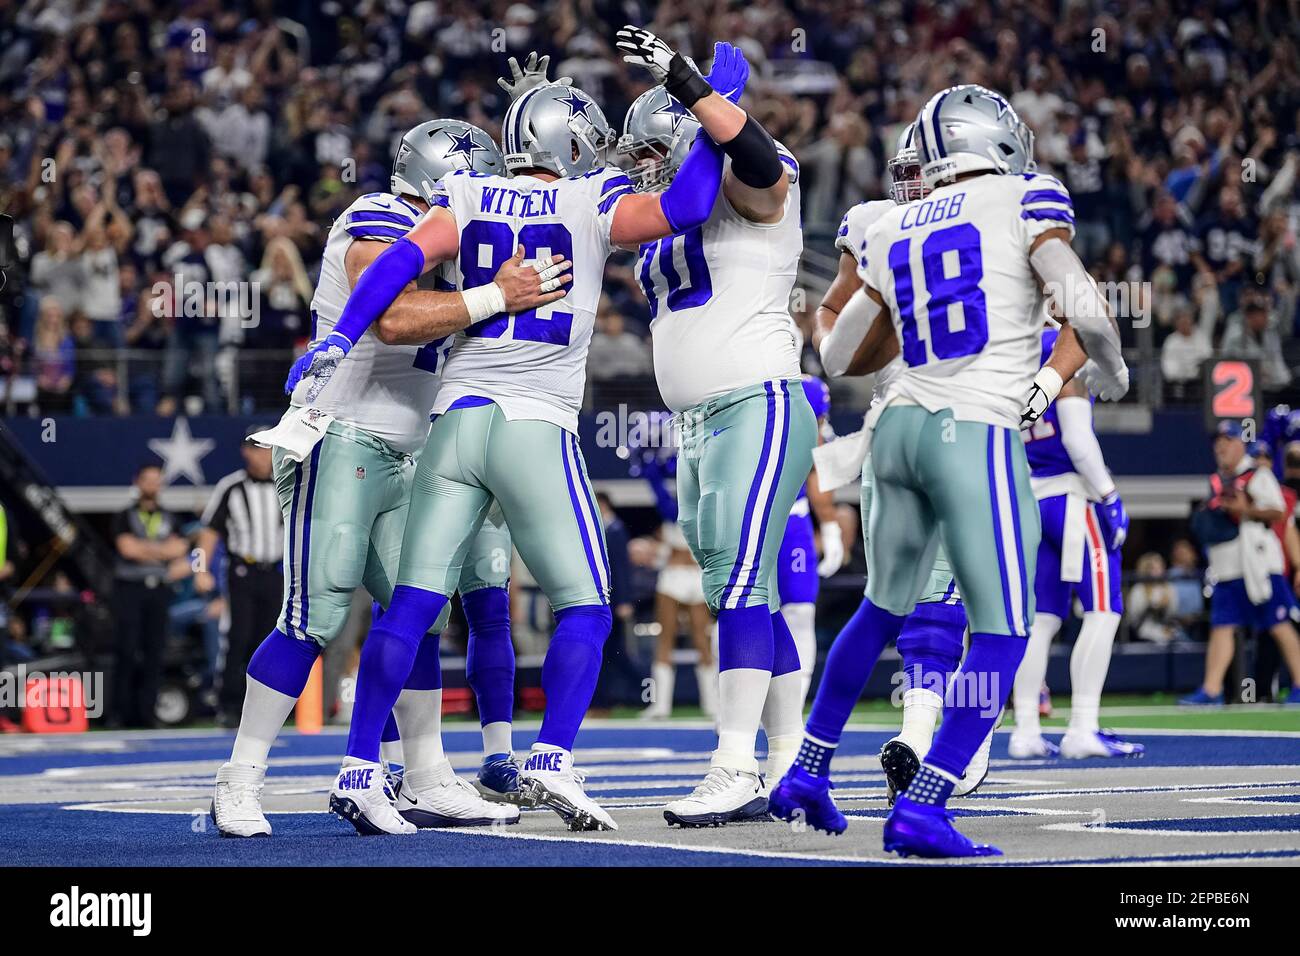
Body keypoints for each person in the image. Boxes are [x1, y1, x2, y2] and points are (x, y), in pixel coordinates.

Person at [293, 44, 742, 834]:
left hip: (454, 423)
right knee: (588, 607)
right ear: (572, 148)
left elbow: (393, 266)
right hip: (534, 422)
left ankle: (362, 768)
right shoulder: (594, 197)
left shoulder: (464, 192)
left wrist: (338, 338)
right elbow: (689, 206)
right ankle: (550, 760)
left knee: (410, 605)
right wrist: (715, 112)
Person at [771, 84, 1129, 858]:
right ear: (996, 142)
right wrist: (1114, 368)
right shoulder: (1024, 197)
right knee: (1002, 631)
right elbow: (1088, 310)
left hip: (895, 430)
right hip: (974, 429)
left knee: (878, 609)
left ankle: (808, 766)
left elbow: (836, 355)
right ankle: (926, 805)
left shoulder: (892, 221)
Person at [210, 117, 561, 838]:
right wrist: (497, 294)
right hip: (340, 438)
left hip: (407, 451)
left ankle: (427, 777)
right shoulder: (379, 214)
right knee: (315, 612)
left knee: (422, 612)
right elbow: (394, 319)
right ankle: (238, 780)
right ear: (442, 176)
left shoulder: (458, 247)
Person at [617, 29, 817, 828]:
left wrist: (702, 95)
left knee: (736, 586)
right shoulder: (666, 205)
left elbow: (764, 171)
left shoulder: (747, 172)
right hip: (697, 426)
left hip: (757, 402)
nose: (637, 165)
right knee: (749, 597)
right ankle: (793, 765)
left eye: (646, 151)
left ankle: (734, 767)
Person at [813, 125, 973, 803]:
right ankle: (932, 739)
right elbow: (829, 314)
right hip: (945, 419)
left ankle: (827, 757)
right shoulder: (891, 224)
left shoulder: (891, 223)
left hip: (902, 427)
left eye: (923, 169)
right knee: (958, 592)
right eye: (906, 170)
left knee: (905, 595)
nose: (913, 181)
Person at [1013, 325, 1142, 759]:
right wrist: (1109, 495)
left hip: (1033, 499)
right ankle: (1082, 727)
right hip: (1072, 499)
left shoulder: (1015, 354)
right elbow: (1077, 439)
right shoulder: (1060, 349)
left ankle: (1026, 730)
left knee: (1043, 620)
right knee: (1104, 611)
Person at [1180, 421, 1300, 705]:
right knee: (1223, 625)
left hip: (1259, 564)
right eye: (1217, 442)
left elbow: (1278, 511)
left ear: (1239, 444)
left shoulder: (1257, 474)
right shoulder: (1217, 480)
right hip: (1227, 566)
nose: (1220, 447)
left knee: (1278, 624)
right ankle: (1211, 689)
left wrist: (1245, 509)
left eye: (1226, 441)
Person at [196, 427, 284, 726]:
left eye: (267, 448)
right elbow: (208, 532)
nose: (263, 455)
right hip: (241, 573)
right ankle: (230, 705)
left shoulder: (287, 484)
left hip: (275, 572)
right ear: (245, 452)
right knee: (237, 637)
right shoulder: (231, 487)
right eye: (257, 448)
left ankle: (268, 708)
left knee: (271, 640)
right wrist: (200, 570)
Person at [111, 463, 189, 728]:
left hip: (159, 589)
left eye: (157, 480)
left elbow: (181, 549)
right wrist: (162, 551)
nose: (152, 485)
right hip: (130, 589)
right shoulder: (124, 515)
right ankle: (120, 712)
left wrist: (145, 549)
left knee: (155, 651)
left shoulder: (171, 516)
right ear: (138, 482)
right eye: (148, 480)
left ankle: (148, 711)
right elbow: (127, 549)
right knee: (126, 649)